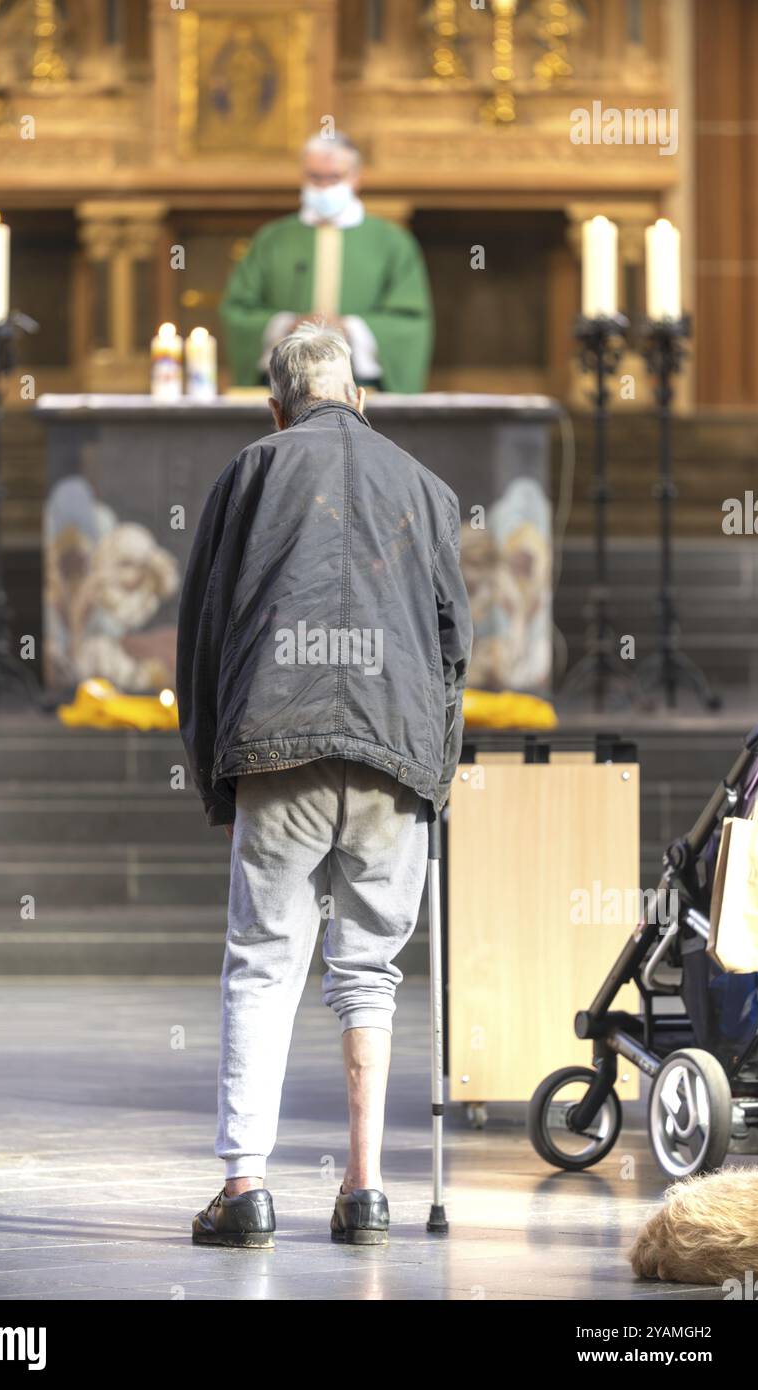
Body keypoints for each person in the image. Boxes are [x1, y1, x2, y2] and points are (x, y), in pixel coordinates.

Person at [176, 321, 472, 1248]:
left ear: (276, 407)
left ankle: (246, 1187)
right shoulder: (425, 490)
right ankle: (366, 1190)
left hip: (275, 746)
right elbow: (453, 646)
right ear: (360, 400)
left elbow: (202, 639)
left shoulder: (248, 474)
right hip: (394, 751)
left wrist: (217, 775)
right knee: (369, 973)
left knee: (263, 964)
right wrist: (436, 774)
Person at [219, 131, 433, 393]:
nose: (324, 187)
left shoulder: (392, 242)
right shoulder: (272, 239)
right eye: (315, 177)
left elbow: (411, 322)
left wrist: (350, 327)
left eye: (334, 178)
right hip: (287, 387)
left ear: (356, 178)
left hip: (359, 389)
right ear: (302, 176)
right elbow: (238, 311)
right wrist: (287, 324)